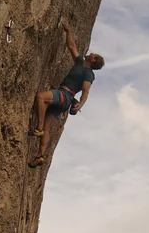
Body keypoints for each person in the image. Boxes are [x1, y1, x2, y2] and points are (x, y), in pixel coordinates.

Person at [29, 21, 105, 166]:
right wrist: (68, 31)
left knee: (40, 97)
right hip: (63, 97)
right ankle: (40, 155)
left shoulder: (88, 74)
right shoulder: (80, 62)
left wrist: (81, 104)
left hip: (65, 96)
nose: (92, 52)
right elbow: (72, 46)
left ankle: (38, 128)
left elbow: (85, 91)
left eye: (94, 54)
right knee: (47, 127)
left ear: (93, 60)